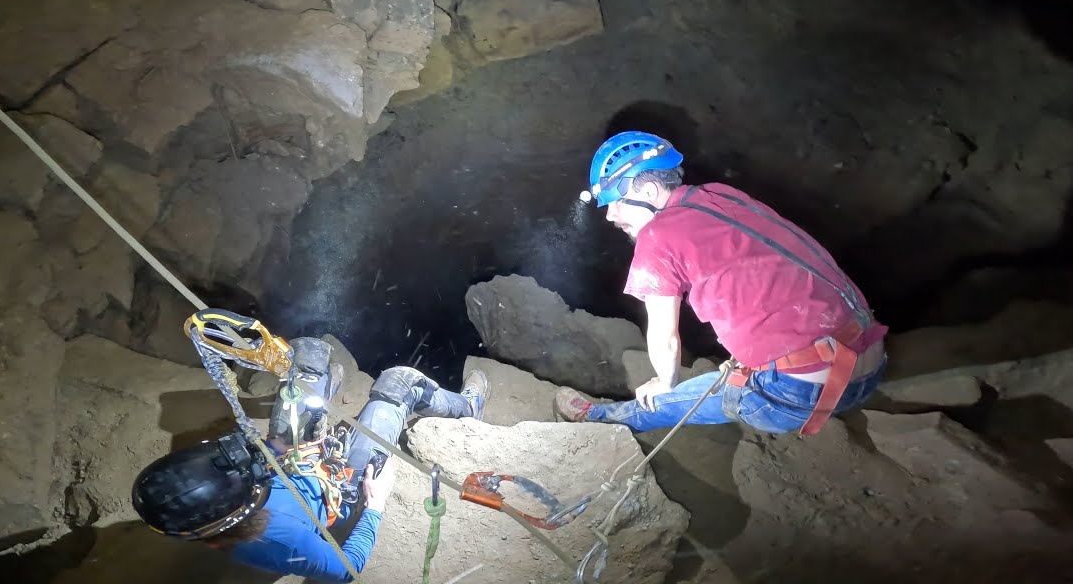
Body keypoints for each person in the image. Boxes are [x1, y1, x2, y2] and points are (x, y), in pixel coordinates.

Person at [555, 132, 888, 436]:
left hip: (799, 395)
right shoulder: (721, 195)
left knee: (669, 398)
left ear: (649, 191)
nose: (611, 215)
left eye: (617, 200)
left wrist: (664, 382)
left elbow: (665, 338)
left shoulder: (657, 236)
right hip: (868, 366)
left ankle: (595, 420)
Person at [132, 336, 490, 582]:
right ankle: (468, 408)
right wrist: (375, 506)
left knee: (310, 353)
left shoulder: (225, 500)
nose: (245, 461)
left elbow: (263, 461)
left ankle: (322, 393)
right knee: (399, 384)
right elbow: (345, 569)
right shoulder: (280, 540)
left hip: (292, 461)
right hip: (342, 487)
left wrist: (274, 450)